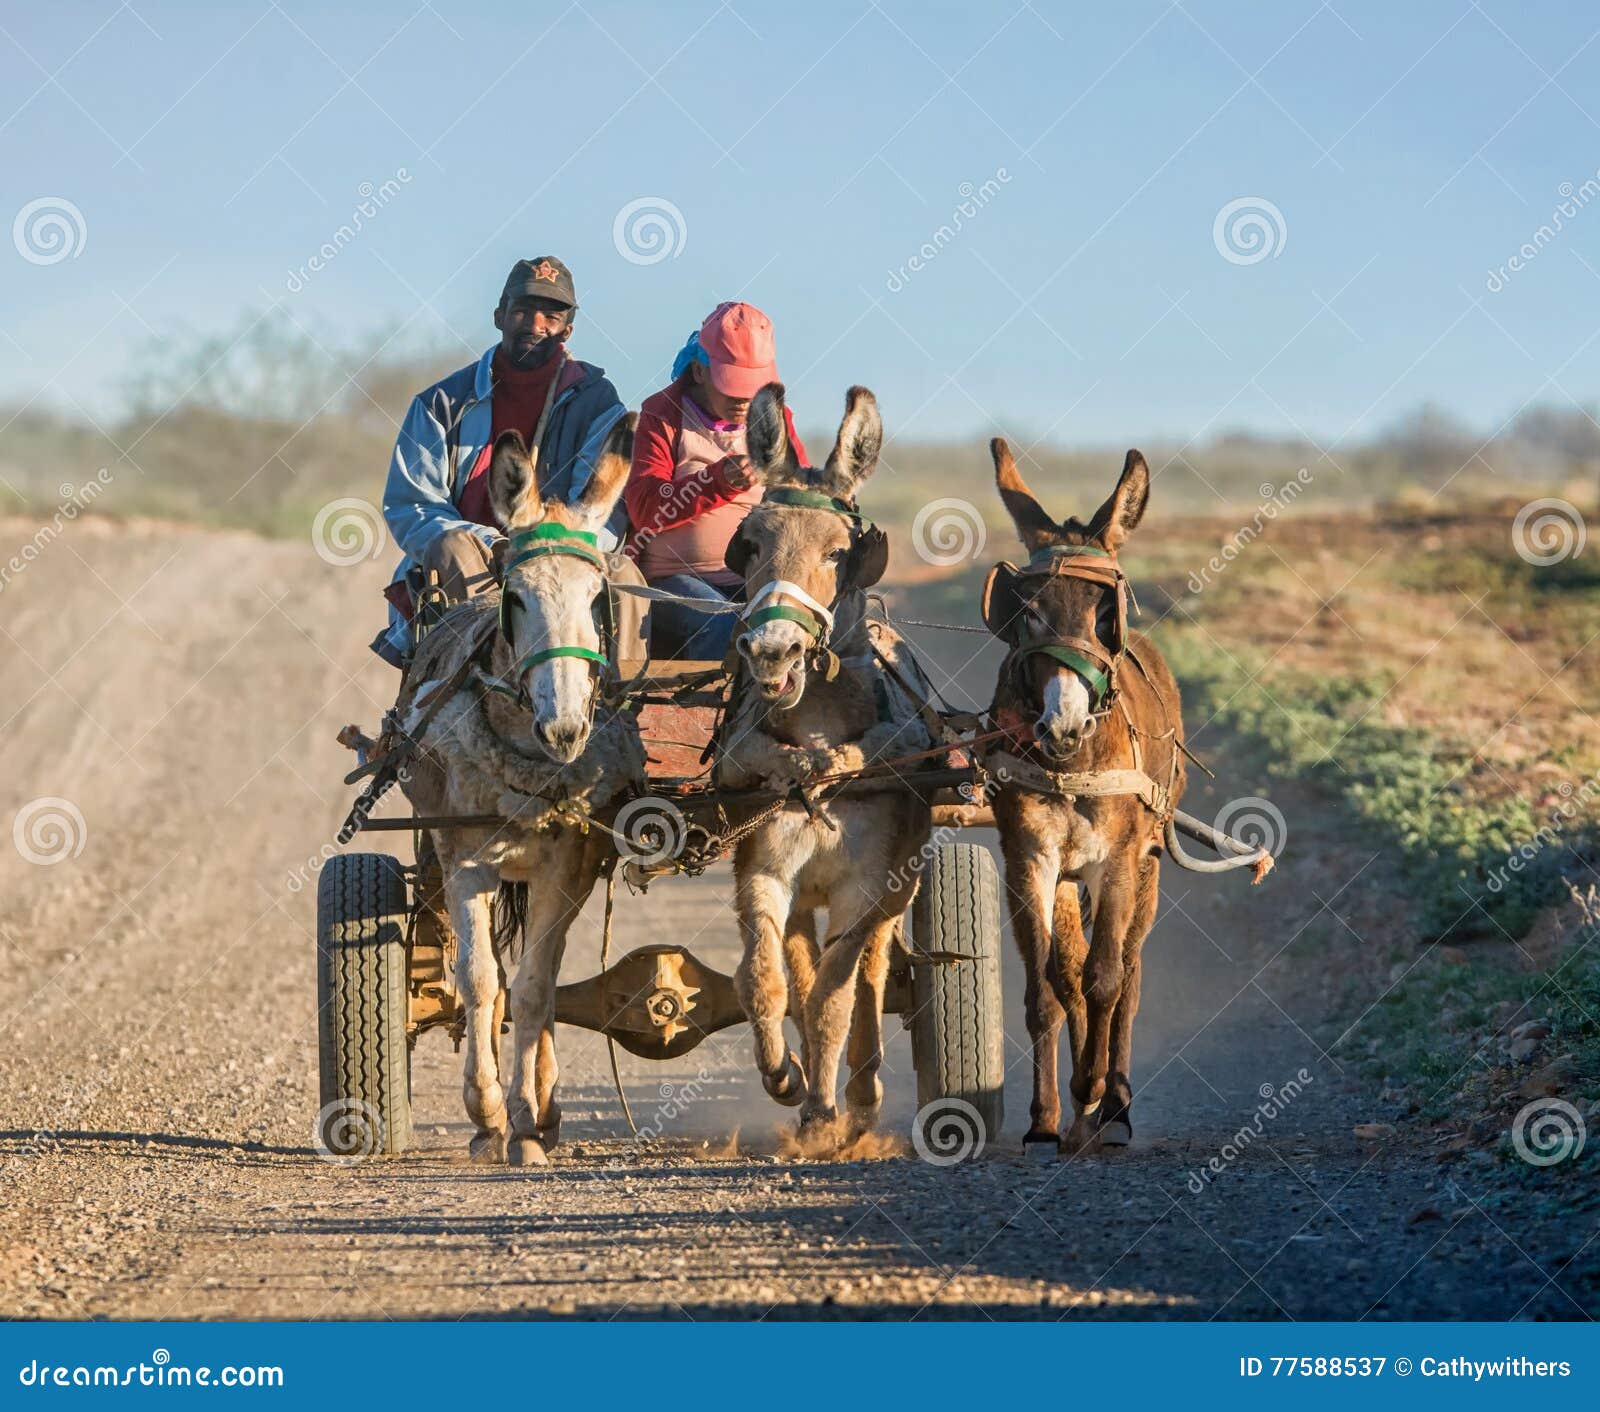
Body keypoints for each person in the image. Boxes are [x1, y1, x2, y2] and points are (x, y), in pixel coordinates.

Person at [371, 256, 627, 667]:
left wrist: (546, 545)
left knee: (626, 574)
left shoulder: (598, 402)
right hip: (474, 558)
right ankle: (475, 673)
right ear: (499, 316)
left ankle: (609, 691)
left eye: (551, 316)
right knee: (453, 548)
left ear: (567, 329)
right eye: (522, 311)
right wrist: (493, 544)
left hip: (561, 553)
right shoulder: (441, 403)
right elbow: (411, 505)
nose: (535, 325)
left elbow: (604, 509)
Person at [623, 301, 808, 659]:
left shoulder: (776, 418)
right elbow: (644, 507)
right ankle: (715, 696)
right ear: (699, 371)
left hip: (756, 576)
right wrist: (716, 482)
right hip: (675, 580)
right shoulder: (663, 416)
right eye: (732, 387)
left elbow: (801, 495)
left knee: (802, 622)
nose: (744, 400)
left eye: (753, 388)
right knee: (721, 622)